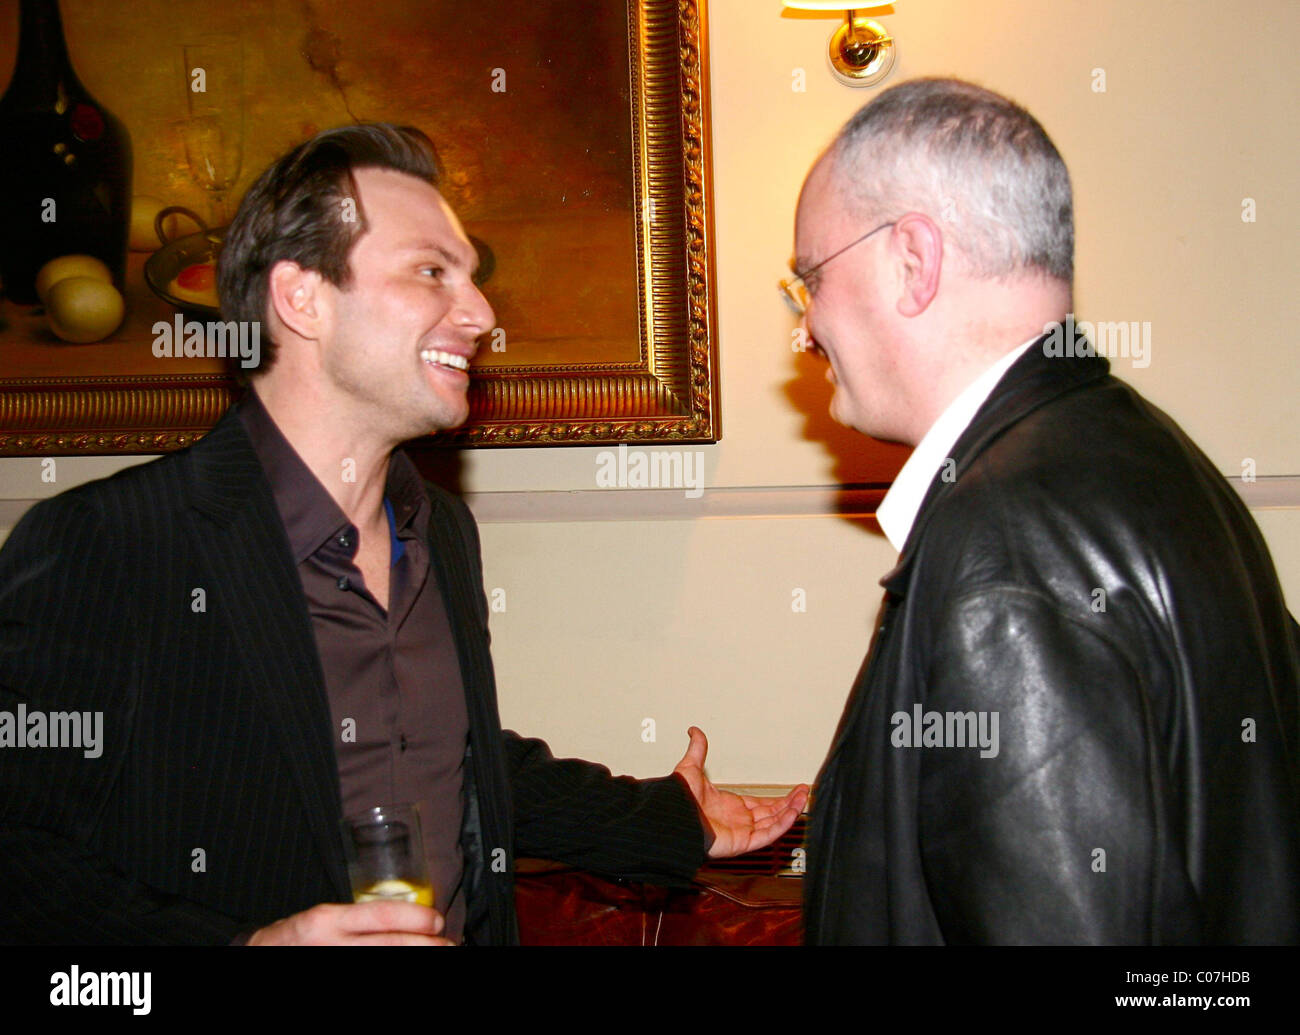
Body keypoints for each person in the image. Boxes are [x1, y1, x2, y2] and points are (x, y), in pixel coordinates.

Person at [0, 123, 807, 946]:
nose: (482, 312)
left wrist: (663, 819)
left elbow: (448, 756)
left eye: (471, 277)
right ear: (301, 297)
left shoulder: (439, 530)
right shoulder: (107, 542)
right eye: (431, 271)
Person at [787, 77, 1300, 944]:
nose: (805, 328)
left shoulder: (1005, 543)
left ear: (912, 259)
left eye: (810, 280)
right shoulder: (1158, 459)